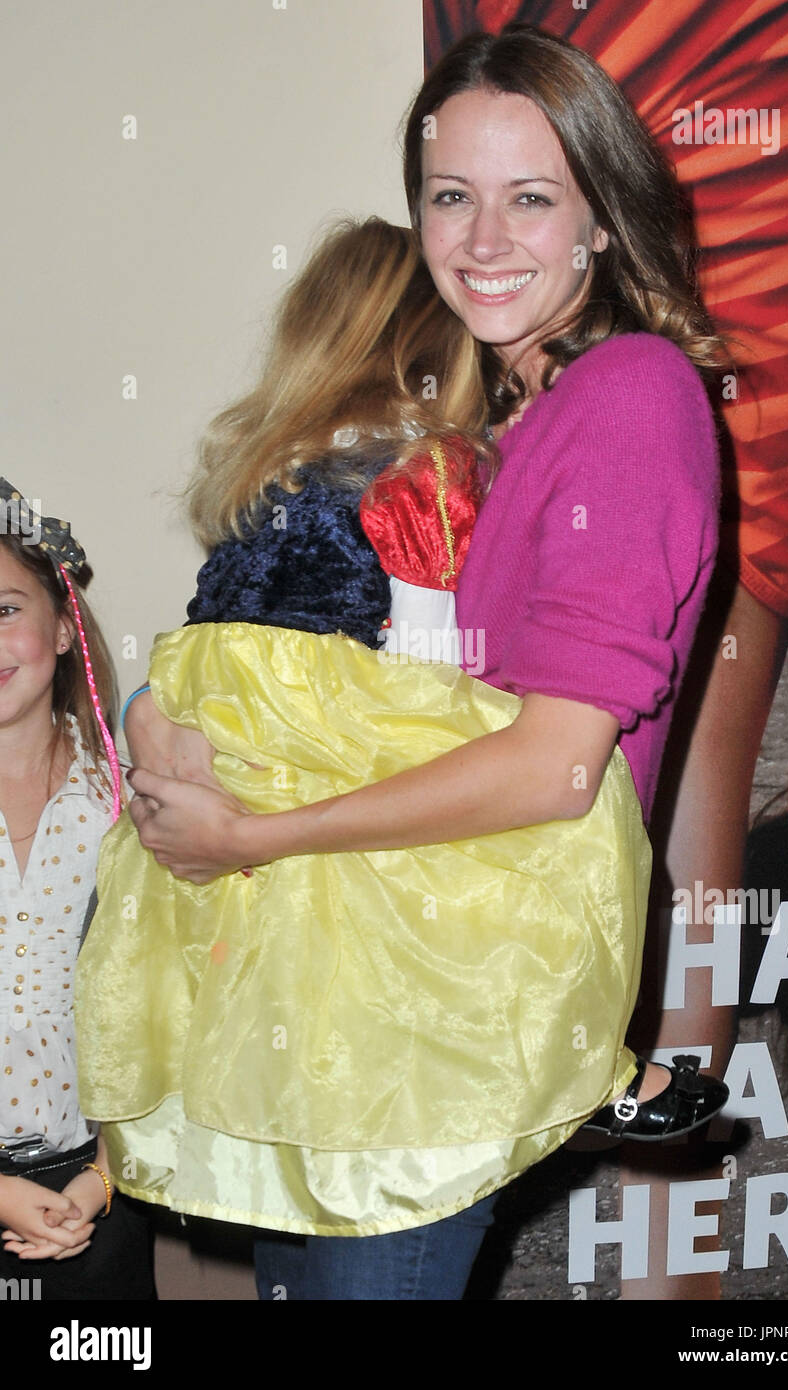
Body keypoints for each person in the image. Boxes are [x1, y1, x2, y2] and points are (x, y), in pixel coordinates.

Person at [81, 27, 729, 1299]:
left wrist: (252, 840)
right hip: (358, 996)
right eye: (450, 196)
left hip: (446, 1010)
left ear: (603, 218)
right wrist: (160, 717)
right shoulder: (488, 427)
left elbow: (551, 770)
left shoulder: (631, 395)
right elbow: (316, 655)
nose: (482, 240)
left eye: (531, 198)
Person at [0, 487, 154, 1299]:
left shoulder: (132, 808)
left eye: (3, 608)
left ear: (62, 626)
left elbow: (178, 1018)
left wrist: (98, 1184)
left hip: (99, 1196)